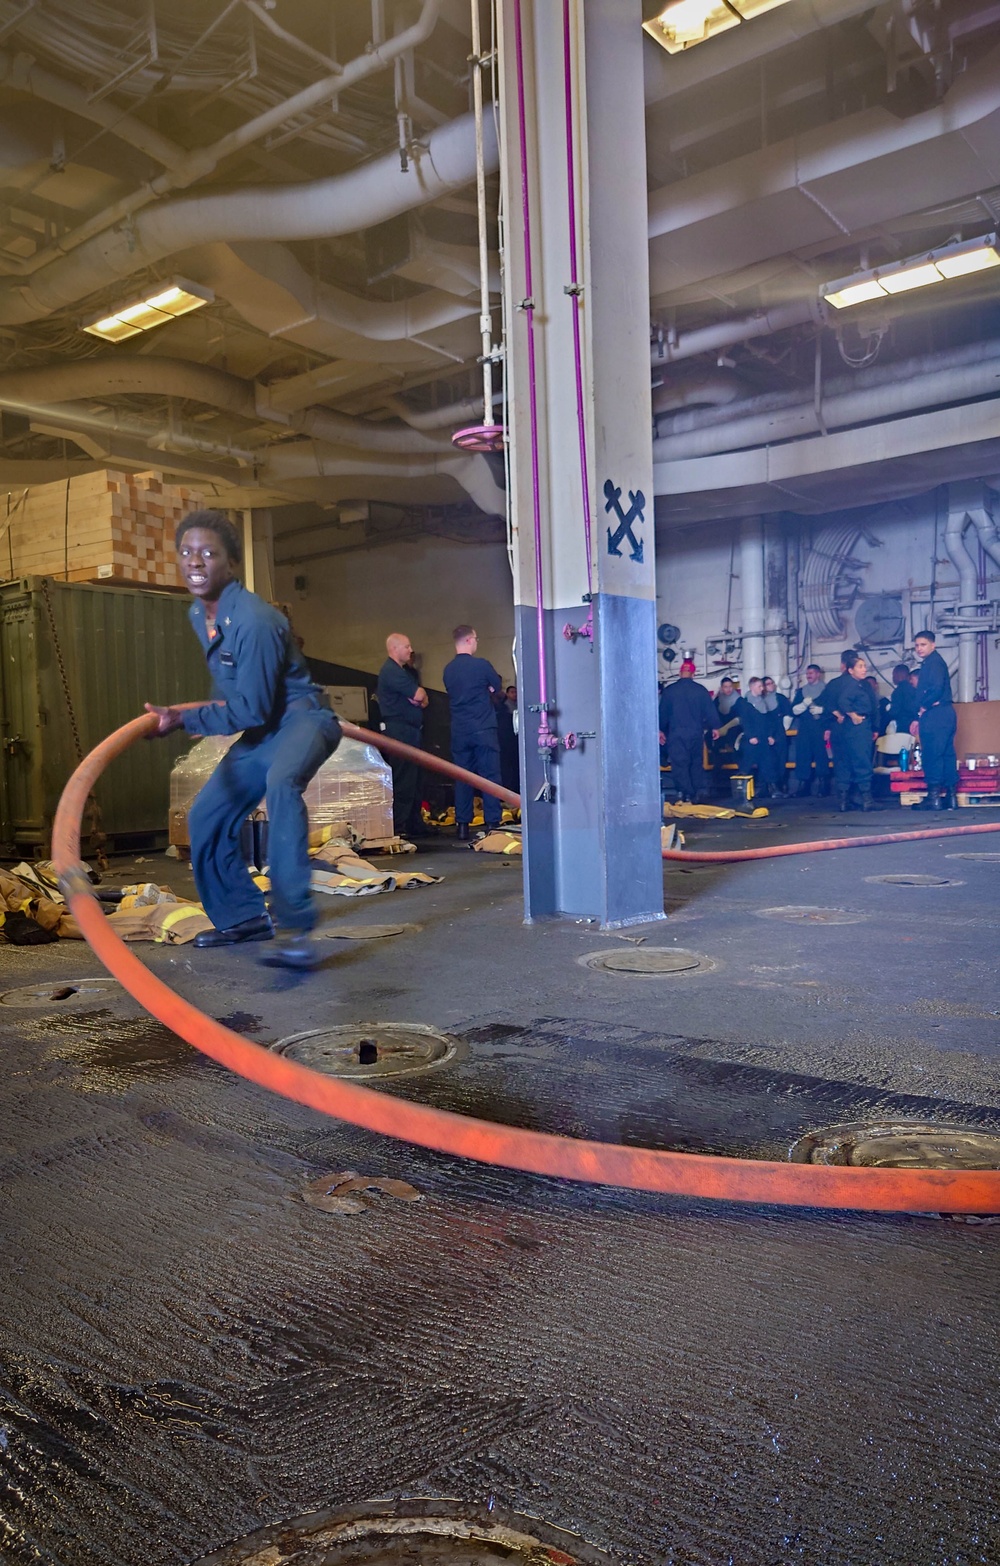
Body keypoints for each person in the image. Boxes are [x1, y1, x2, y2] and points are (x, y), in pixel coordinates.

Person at [145, 509, 341, 969]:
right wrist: (191, 715)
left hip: (303, 722)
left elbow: (250, 706)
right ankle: (242, 917)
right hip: (262, 730)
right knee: (207, 814)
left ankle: (295, 929)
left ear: (230, 563)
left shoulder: (254, 620)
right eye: (188, 552)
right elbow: (233, 692)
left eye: (209, 553)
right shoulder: (200, 613)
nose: (196, 561)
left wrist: (185, 720)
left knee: (281, 783)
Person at [443, 625, 505, 841]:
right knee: (490, 777)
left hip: (460, 731)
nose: (477, 642)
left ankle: (462, 825)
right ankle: (493, 824)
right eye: (476, 638)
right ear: (469, 640)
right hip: (484, 729)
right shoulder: (482, 665)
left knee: (463, 778)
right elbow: (497, 688)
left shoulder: (448, 670)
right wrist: (487, 688)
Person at [376, 632, 429, 838]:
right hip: (399, 731)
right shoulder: (391, 672)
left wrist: (419, 698)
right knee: (404, 778)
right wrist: (418, 697)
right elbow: (418, 695)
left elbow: (424, 699)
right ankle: (399, 826)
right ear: (394, 649)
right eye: (406, 646)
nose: (410, 650)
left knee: (415, 779)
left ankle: (414, 823)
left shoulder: (403, 672)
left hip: (410, 730)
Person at [657, 659, 719, 802]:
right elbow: (710, 712)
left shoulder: (670, 691)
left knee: (679, 764)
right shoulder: (700, 690)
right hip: (695, 733)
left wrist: (660, 730)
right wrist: (715, 727)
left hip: (676, 734)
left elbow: (663, 713)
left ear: (680, 673)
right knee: (695, 763)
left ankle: (684, 793)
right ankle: (696, 793)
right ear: (693, 673)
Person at [911, 629, 958, 811]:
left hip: (935, 714)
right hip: (945, 713)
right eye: (916, 645)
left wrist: (924, 705)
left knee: (932, 754)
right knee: (946, 754)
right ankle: (951, 798)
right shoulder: (936, 662)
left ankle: (934, 798)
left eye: (923, 645)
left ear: (933, 645)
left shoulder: (933, 663)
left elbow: (936, 688)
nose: (919, 649)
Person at [830, 652, 878, 811]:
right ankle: (866, 799)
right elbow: (843, 701)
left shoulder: (851, 684)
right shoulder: (854, 685)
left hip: (846, 728)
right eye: (860, 666)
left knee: (844, 762)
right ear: (850, 670)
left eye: (864, 666)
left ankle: (844, 801)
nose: (864, 669)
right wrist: (853, 715)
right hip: (858, 726)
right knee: (861, 760)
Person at [734, 676, 779, 797]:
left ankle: (772, 789)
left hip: (763, 737)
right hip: (752, 739)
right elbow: (745, 721)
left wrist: (769, 735)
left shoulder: (762, 702)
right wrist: (751, 736)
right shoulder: (744, 703)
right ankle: (742, 792)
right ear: (752, 687)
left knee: (767, 763)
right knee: (746, 765)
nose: (762, 688)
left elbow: (767, 720)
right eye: (759, 686)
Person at [790, 664, 830, 796]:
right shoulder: (801, 692)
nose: (809, 675)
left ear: (818, 674)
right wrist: (802, 705)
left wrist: (822, 710)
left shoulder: (826, 690)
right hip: (805, 728)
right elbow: (793, 710)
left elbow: (833, 709)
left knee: (821, 755)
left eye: (811, 673)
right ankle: (803, 785)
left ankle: (823, 785)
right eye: (807, 673)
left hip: (820, 728)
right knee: (802, 755)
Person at [763, 676, 793, 792]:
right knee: (768, 761)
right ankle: (769, 786)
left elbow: (788, 715)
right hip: (766, 734)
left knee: (781, 759)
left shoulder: (781, 699)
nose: (771, 685)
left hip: (779, 733)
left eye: (772, 683)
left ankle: (781, 784)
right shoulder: (760, 701)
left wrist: (783, 729)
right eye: (768, 684)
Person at [497, 684, 520, 795]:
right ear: (507, 694)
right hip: (507, 742)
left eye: (516, 692)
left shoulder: (518, 706)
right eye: (512, 692)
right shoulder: (504, 708)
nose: (514, 694)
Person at [887, 663, 919, 734]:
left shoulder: (898, 691)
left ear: (898, 675)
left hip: (904, 725)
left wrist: (886, 715)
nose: (893, 678)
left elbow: (895, 711)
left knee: (903, 744)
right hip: (916, 723)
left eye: (894, 675)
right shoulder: (914, 688)